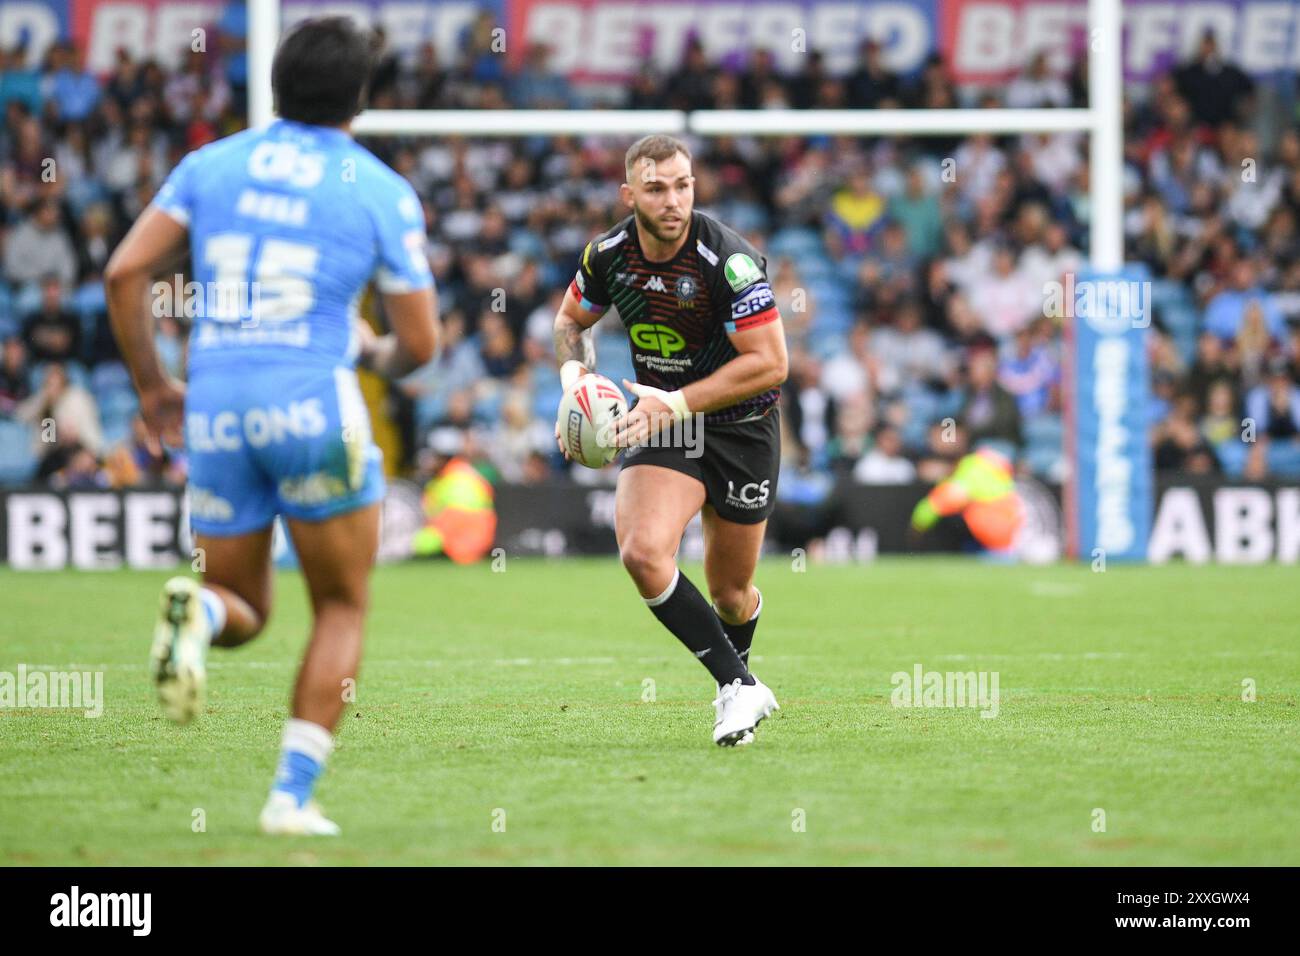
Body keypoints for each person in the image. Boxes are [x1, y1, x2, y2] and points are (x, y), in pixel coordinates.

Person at [105, 17, 440, 836]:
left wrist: (154, 387)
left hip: (216, 404)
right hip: (314, 404)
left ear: (277, 83)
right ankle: (290, 797)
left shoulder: (208, 165)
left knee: (238, 599)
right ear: (360, 99)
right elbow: (421, 348)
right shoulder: (380, 190)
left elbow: (123, 271)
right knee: (340, 606)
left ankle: (203, 615)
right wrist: (374, 353)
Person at [552, 135, 787, 747]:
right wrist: (573, 382)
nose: (673, 200)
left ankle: (735, 685)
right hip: (666, 426)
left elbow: (771, 363)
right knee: (643, 552)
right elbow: (570, 322)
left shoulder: (728, 262)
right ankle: (738, 689)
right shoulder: (608, 256)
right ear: (630, 195)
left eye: (683, 185)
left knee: (731, 595)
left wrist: (674, 401)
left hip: (739, 427)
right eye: (656, 189)